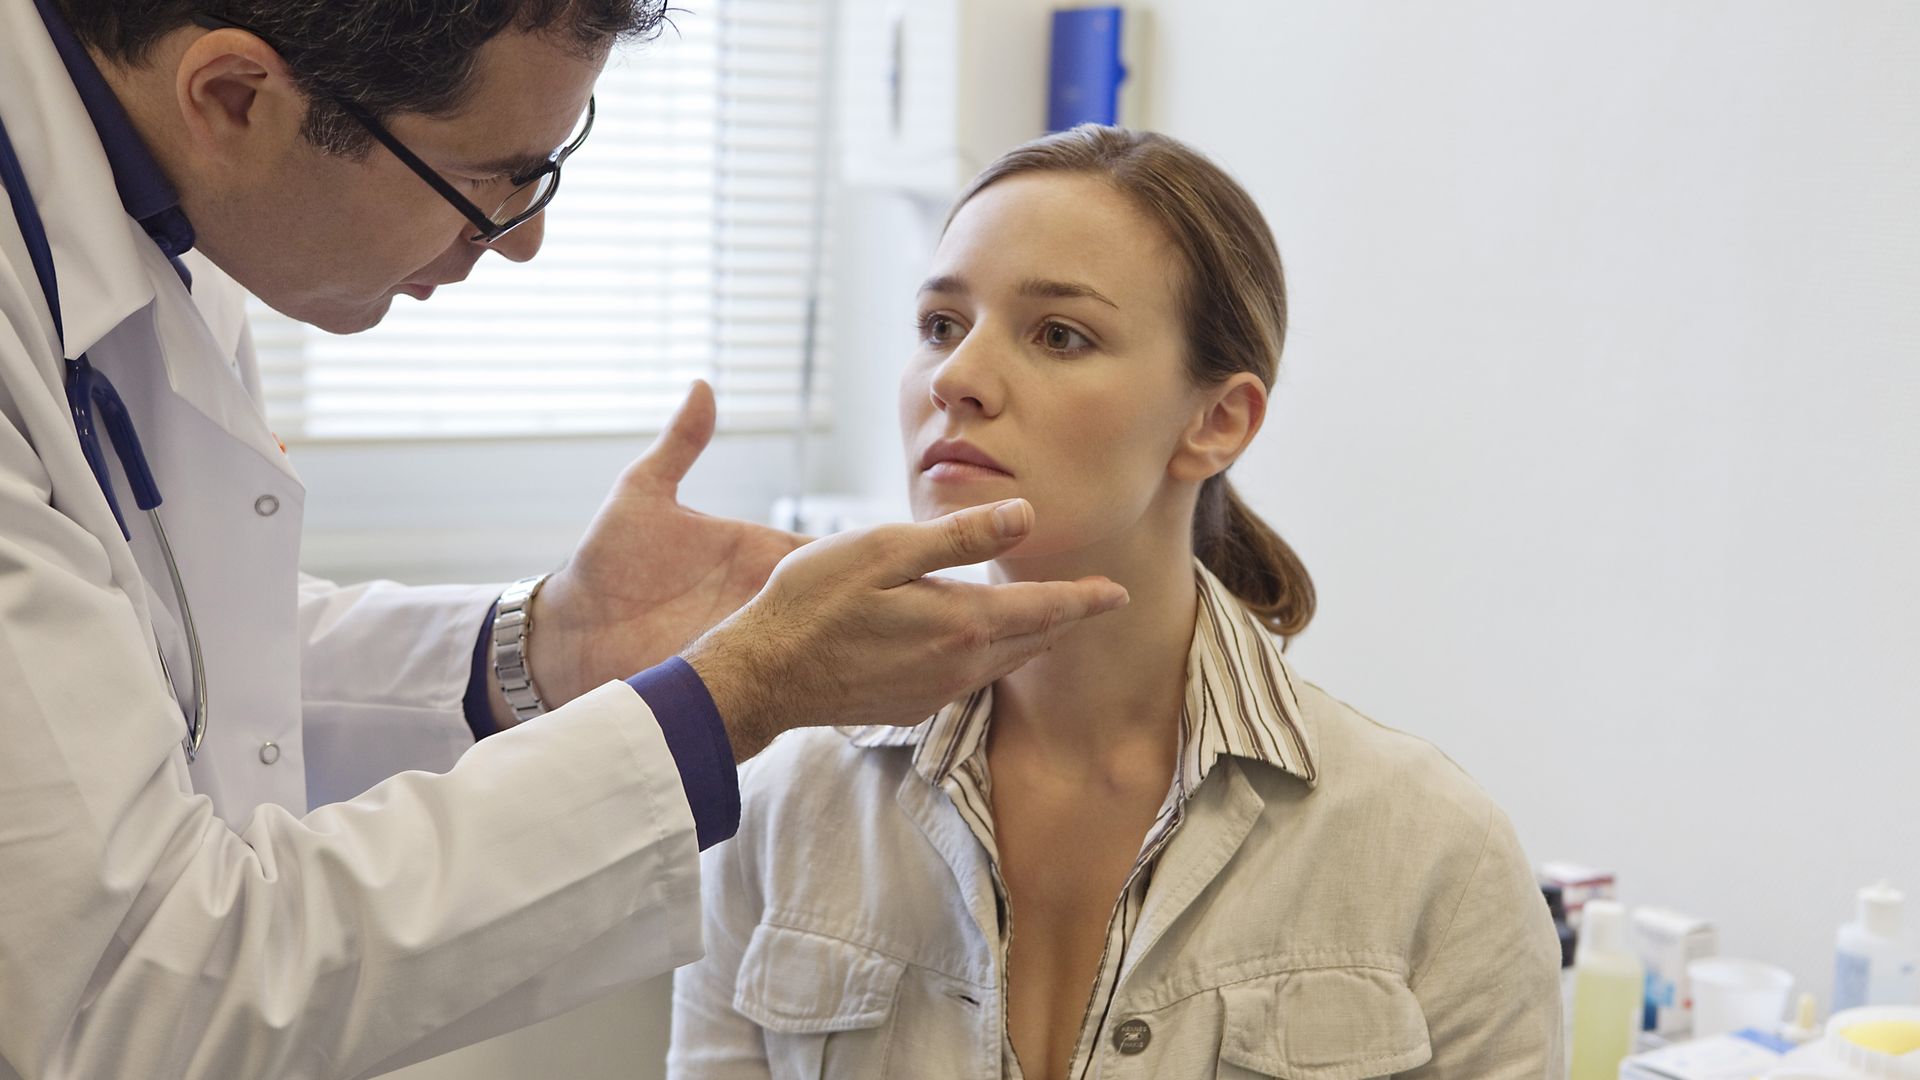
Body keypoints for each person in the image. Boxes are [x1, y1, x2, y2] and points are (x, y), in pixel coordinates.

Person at [0, 2, 1131, 1078]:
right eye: (489, 178)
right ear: (235, 97)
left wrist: (542, 648)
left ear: (1215, 419)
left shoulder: (148, 223)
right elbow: (128, 996)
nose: (524, 239)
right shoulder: (808, 804)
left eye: (1063, 335)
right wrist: (724, 705)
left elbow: (160, 660)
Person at [669, 126, 1564, 1079]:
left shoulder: (1431, 851)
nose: (957, 379)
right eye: (941, 325)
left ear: (1216, 421)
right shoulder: (782, 805)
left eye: (1060, 334)